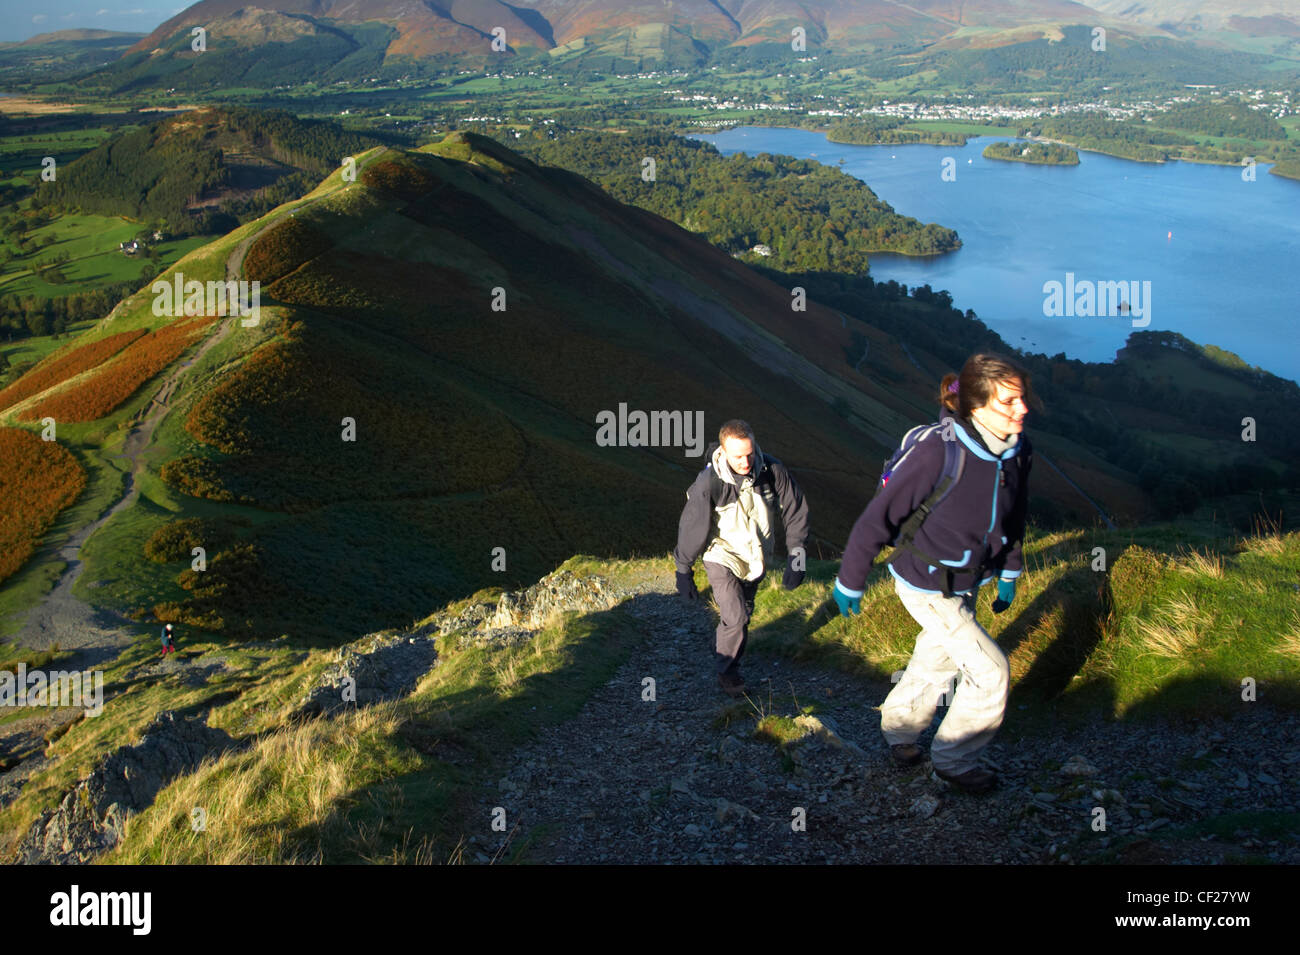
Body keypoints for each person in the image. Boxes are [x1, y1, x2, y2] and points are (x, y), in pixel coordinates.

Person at [832, 354, 1034, 793]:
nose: (1022, 409)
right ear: (976, 407)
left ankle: (900, 731)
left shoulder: (1018, 451)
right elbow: (877, 518)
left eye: (1022, 399)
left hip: (971, 579)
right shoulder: (937, 450)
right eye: (1009, 402)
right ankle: (955, 761)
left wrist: (1010, 570)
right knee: (990, 671)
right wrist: (851, 577)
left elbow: (1014, 516)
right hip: (925, 582)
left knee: (936, 657)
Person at [675, 419, 810, 697]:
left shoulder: (772, 470)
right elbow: (693, 524)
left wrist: (797, 555)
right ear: (724, 451)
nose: (746, 461)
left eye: (750, 453)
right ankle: (727, 672)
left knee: (743, 616)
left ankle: (724, 649)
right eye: (738, 456)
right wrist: (683, 569)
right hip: (721, 554)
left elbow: (795, 511)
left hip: (756, 558)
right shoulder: (709, 481)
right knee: (735, 617)